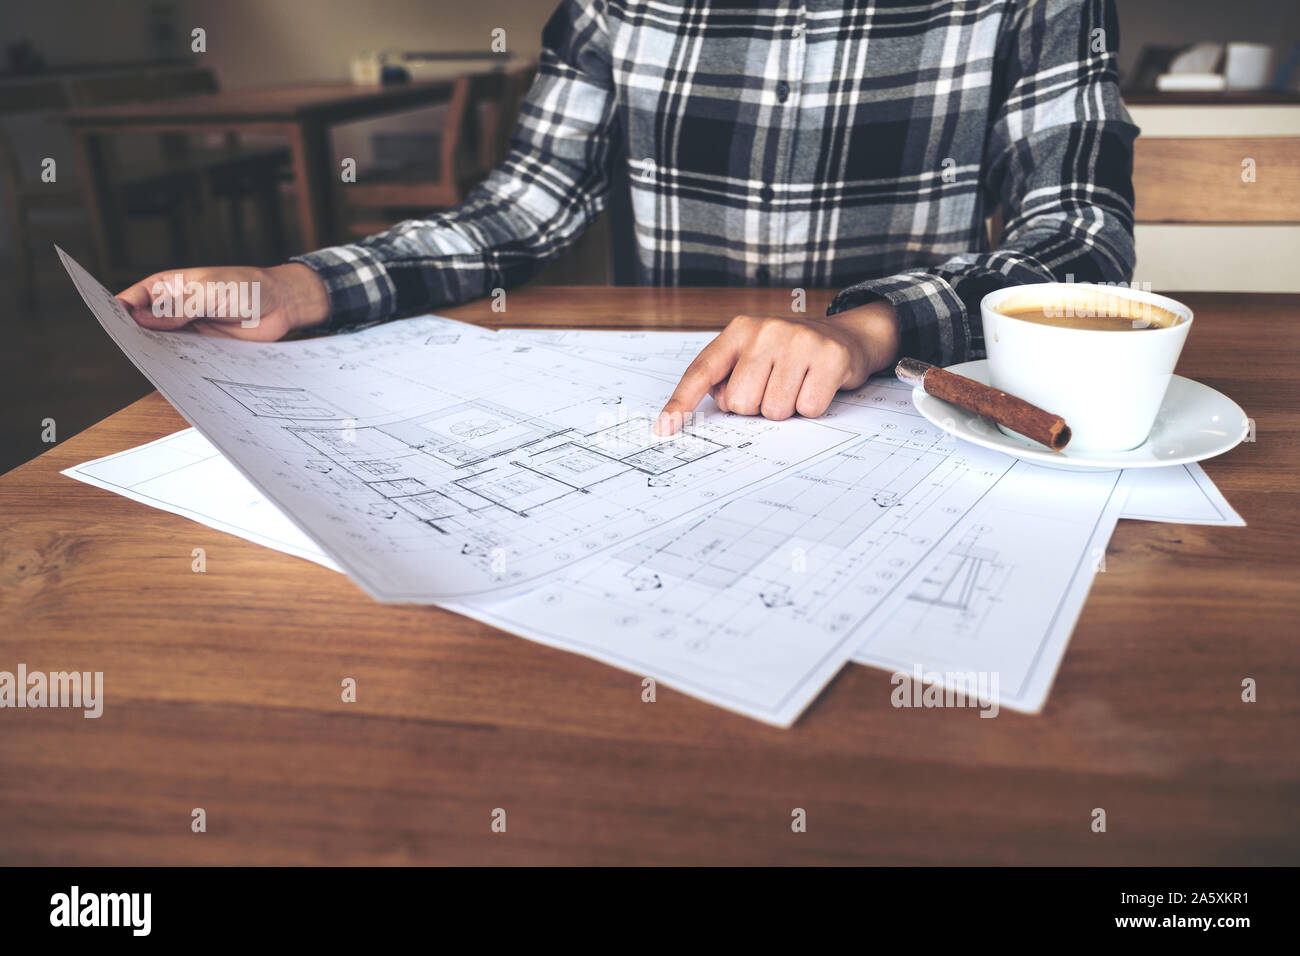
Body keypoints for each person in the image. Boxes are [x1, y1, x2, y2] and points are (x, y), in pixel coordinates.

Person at [117, 0, 1137, 437]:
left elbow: (1082, 238)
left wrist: (868, 328)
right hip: (673, 412)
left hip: (909, 398)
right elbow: (521, 210)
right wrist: (297, 287)